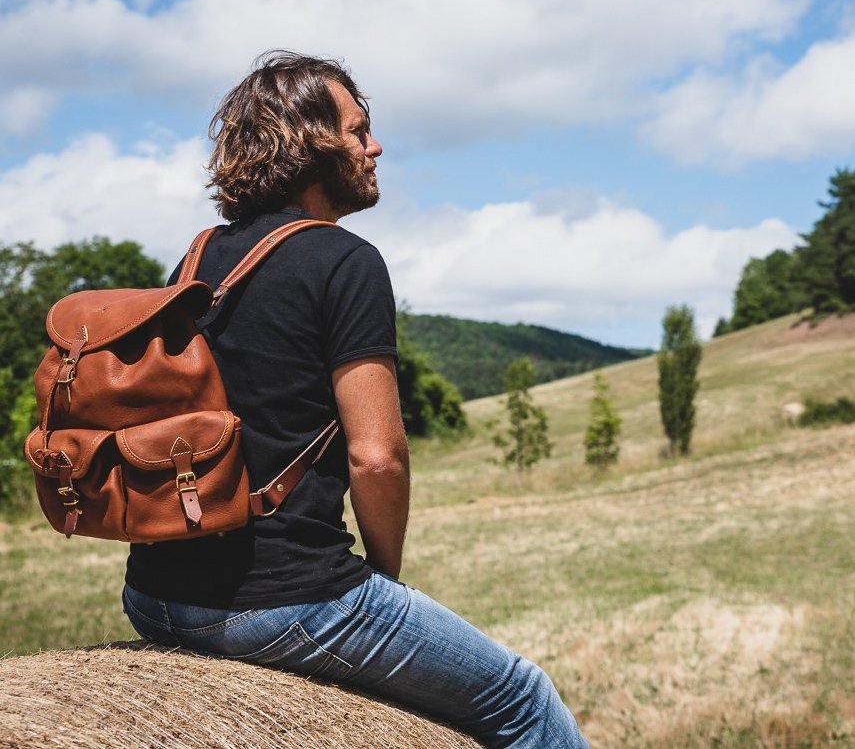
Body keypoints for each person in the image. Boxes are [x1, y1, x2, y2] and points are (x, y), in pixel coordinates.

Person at [122, 50, 588, 748]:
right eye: (356, 129)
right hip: (283, 601)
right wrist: (385, 582)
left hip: (154, 596)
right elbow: (378, 458)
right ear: (310, 145)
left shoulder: (194, 260)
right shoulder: (345, 260)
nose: (374, 146)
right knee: (522, 697)